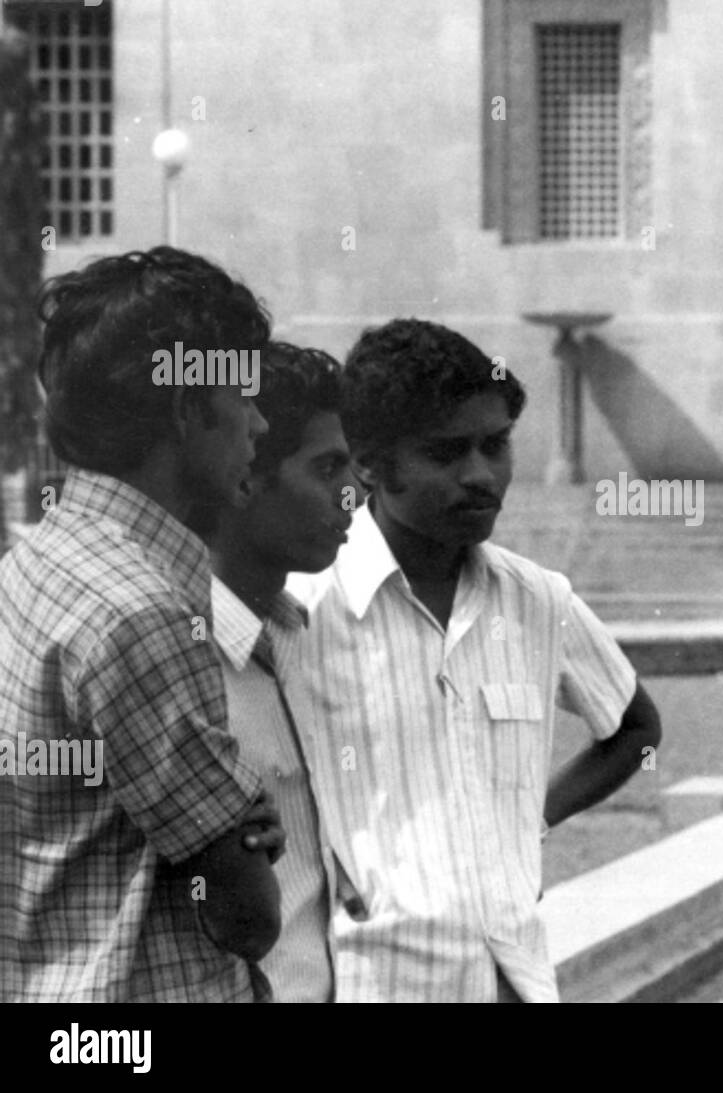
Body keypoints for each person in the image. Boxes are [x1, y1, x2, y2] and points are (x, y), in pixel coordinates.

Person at [289, 319, 663, 1002]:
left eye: (496, 445)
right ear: (370, 462)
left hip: (514, 981)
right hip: (374, 983)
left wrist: (529, 822)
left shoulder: (537, 599)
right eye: (446, 453)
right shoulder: (305, 605)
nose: (480, 475)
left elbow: (635, 730)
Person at [0, 247, 284, 1001]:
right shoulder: (143, 612)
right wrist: (239, 813)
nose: (258, 424)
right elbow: (250, 916)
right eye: (245, 396)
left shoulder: (37, 561)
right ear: (190, 409)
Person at [199, 341, 362, 1002]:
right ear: (245, 477)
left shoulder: (304, 637)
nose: (354, 492)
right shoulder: (180, 665)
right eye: (328, 467)